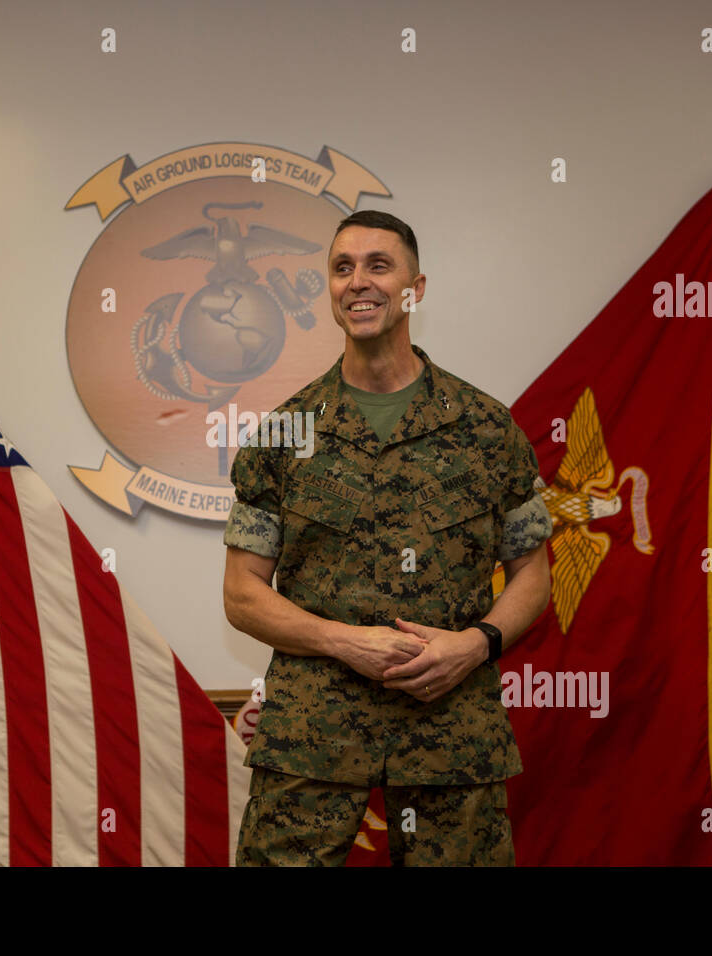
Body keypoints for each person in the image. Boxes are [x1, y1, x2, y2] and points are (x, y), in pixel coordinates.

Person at [222, 209, 553, 866]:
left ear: (415, 287)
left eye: (379, 265)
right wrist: (344, 641)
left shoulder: (486, 429)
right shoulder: (286, 434)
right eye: (342, 268)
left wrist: (476, 644)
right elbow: (242, 595)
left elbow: (533, 572)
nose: (358, 281)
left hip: (450, 722)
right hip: (312, 723)